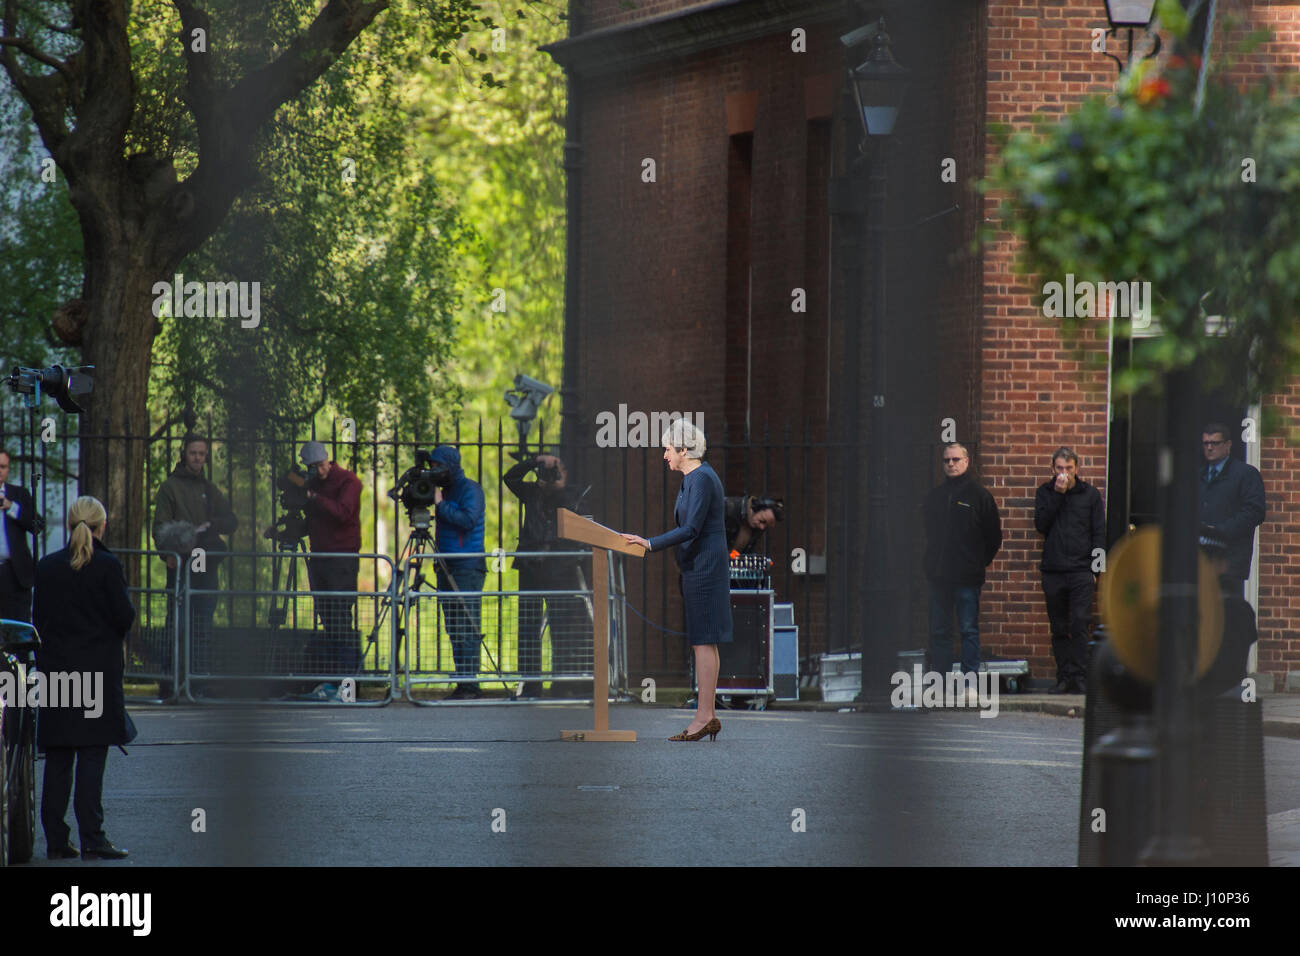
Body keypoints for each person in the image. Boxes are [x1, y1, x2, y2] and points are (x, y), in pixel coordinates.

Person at [34, 496, 136, 860]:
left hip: (59, 673)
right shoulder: (108, 566)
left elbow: (39, 619)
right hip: (98, 674)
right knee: (92, 757)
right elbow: (123, 617)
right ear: (101, 526)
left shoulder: (46, 567)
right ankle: (92, 836)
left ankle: (57, 840)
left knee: (60, 759)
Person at [621, 419, 730, 741]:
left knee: (703, 640)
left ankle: (704, 716)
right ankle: (706, 715)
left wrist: (649, 542)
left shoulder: (701, 479)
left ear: (684, 449)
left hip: (706, 569)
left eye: (668, 449)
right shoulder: (693, 478)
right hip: (699, 567)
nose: (664, 455)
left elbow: (691, 529)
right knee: (703, 641)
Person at [151, 434, 237, 677]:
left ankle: (198, 679)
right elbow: (159, 526)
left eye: (201, 454)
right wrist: (168, 552)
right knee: (176, 622)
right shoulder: (170, 487)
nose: (198, 458)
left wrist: (211, 525)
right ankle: (171, 678)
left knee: (202, 621)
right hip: (180, 561)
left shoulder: (209, 489)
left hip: (204, 560)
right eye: (193, 453)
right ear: (184, 454)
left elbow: (231, 521)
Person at [504, 453, 590, 698]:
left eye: (557, 469)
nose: (553, 474)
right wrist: (535, 461)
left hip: (560, 569)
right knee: (528, 627)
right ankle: (531, 683)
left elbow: (580, 523)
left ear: (566, 472)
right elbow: (509, 478)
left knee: (561, 627)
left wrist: (558, 486)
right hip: (531, 567)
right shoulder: (532, 492)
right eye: (550, 470)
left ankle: (562, 683)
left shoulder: (573, 495)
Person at [922, 443, 1003, 686]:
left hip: (967, 576)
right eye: (947, 460)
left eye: (956, 459)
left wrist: (978, 562)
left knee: (968, 631)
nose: (951, 464)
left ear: (966, 462)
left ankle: (970, 683)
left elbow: (994, 536)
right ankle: (941, 683)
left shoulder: (979, 496)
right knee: (940, 632)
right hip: (939, 576)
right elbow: (928, 533)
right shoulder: (935, 497)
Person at [1034, 446, 1105, 694]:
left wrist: (1097, 570)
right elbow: (1041, 525)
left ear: (1077, 468)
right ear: (1053, 469)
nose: (1064, 473)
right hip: (1053, 570)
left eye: (1069, 468)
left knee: (1080, 624)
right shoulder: (1045, 492)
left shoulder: (1090, 495)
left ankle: (1080, 676)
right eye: (1060, 468)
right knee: (1059, 627)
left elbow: (1099, 533)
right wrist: (1057, 494)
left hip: (1080, 571)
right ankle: (1063, 677)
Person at [429, 445, 487, 700]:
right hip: (446, 564)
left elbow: (468, 520)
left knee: (467, 625)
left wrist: (441, 506)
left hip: (467, 566)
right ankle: (462, 681)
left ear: (450, 465)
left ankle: (470, 685)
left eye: (437, 466)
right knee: (454, 626)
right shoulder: (446, 490)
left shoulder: (470, 489)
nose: (434, 471)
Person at [300, 440, 363, 673]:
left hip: (341, 558)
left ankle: (348, 679)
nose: (319, 471)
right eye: (313, 467)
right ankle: (335, 677)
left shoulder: (348, 481)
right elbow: (312, 521)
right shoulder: (313, 484)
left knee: (340, 618)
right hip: (320, 557)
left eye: (321, 465)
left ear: (328, 458)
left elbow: (343, 513)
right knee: (327, 617)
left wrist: (314, 498)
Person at [1198, 422, 1266, 597]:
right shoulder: (1198, 476)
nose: (1210, 448)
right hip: (1200, 560)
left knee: (1228, 615)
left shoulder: (1245, 474)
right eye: (1206, 443)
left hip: (1230, 560)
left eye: (1215, 443)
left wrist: (1220, 531)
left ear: (1228, 445)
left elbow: (1254, 512)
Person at [0, 447, 41, 622]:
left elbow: (38, 525)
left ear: (8, 470)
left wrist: (12, 507)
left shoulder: (19, 494)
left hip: (14, 574)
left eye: (3, 466)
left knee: (17, 627)